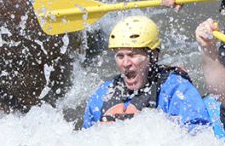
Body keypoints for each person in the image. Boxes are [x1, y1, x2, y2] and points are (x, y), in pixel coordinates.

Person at [83, 16, 211, 130]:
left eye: (132, 55)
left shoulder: (177, 89)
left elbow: (199, 135)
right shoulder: (103, 94)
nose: (126, 63)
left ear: (153, 55)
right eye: (120, 56)